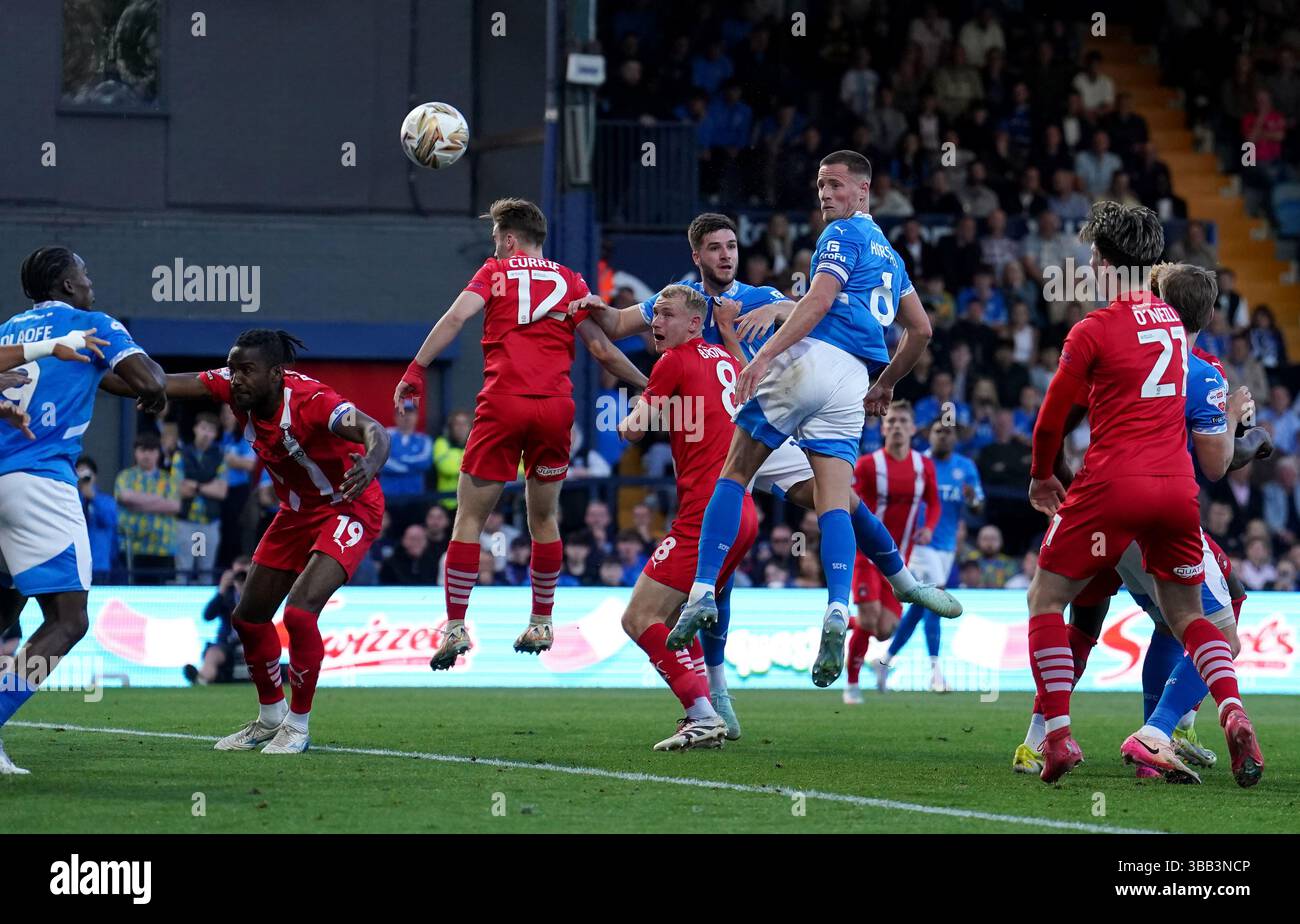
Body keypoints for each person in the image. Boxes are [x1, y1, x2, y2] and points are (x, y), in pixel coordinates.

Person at [668, 152, 962, 692]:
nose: (825, 194)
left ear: (864, 189)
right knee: (835, 502)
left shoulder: (839, 235)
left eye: (835, 184)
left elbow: (819, 300)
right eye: (820, 185)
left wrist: (760, 359)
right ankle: (835, 607)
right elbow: (920, 330)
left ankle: (702, 590)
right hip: (853, 383)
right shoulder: (892, 257)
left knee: (734, 472)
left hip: (812, 362)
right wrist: (886, 384)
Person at [1026, 204, 1262, 786]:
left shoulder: (1094, 328)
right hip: (1176, 491)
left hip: (1112, 484)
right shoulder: (1183, 339)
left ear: (1104, 262)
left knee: (1047, 597)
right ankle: (1230, 710)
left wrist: (1040, 475)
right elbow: (1210, 448)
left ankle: (1054, 738)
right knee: (1188, 616)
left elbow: (1051, 419)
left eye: (1091, 259)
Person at [101, 329, 391, 755]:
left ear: (276, 373)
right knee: (249, 617)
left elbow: (374, 430)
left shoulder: (313, 401)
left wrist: (369, 462)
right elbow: (156, 381)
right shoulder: (233, 387)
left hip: (349, 506)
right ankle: (270, 717)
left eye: (246, 370)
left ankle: (298, 725)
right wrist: (87, 371)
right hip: (296, 514)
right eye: (232, 368)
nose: (235, 378)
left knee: (298, 612)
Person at [393, 198, 646, 670]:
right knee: (543, 519)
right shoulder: (572, 281)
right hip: (555, 407)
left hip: (504, 403)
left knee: (468, 519)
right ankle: (542, 619)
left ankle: (453, 627)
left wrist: (416, 368)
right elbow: (603, 351)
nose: (495, 245)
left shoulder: (494, 272)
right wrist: (649, 385)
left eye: (496, 238)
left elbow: (455, 319)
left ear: (509, 239)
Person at [0, 246, 167, 775]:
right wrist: (156, 393)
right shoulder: (94, 323)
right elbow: (149, 379)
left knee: (5, 610)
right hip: (39, 482)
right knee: (68, 621)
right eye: (85, 275)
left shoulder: (8, 331)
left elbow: (101, 377)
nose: (91, 282)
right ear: (68, 286)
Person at [615, 285, 758, 750]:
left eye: (668, 314)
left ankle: (701, 712)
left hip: (705, 514)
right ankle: (708, 712)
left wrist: (635, 405)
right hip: (744, 512)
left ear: (695, 323)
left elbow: (633, 431)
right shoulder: (726, 360)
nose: (657, 322)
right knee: (679, 616)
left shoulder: (672, 361)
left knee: (638, 618)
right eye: (655, 313)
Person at [869, 418, 984, 696]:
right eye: (938, 431)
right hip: (920, 543)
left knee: (921, 606)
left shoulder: (965, 467)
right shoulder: (919, 464)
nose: (943, 437)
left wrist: (971, 501)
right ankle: (935, 674)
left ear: (955, 438)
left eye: (948, 433)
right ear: (928, 435)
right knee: (935, 602)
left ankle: (884, 660)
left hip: (946, 547)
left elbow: (979, 507)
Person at [842, 401, 940, 700]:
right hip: (867, 556)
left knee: (885, 630)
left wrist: (929, 528)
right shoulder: (869, 465)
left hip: (900, 561)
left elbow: (934, 503)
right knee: (871, 620)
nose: (896, 426)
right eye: (891, 421)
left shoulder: (924, 466)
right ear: (883, 428)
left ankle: (842, 622)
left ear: (912, 429)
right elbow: (847, 501)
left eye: (902, 422)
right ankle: (853, 685)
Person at [115, 431, 181, 584]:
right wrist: (159, 500)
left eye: (151, 450)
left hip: (163, 547)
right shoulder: (125, 476)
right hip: (132, 547)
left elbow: (174, 505)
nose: (146, 455)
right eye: (142, 450)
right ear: (135, 452)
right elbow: (126, 497)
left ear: (158, 453)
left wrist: (138, 503)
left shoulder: (169, 479)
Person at [174, 411, 228, 585]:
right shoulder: (181, 454)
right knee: (183, 572)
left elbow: (221, 492)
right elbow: (178, 489)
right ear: (195, 429)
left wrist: (196, 486)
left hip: (209, 523)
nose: (206, 433)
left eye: (211, 430)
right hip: (185, 522)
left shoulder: (220, 457)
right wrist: (208, 486)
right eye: (203, 428)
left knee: (206, 573)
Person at [184, 556, 251, 685]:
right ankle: (202, 679)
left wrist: (246, 592)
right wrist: (221, 590)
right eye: (238, 573)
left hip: (251, 643)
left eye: (245, 574)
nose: (241, 577)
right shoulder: (226, 594)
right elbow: (207, 616)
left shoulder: (258, 593)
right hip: (227, 642)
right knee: (212, 654)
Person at [380, 402, 433, 521]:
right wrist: (410, 466)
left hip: (415, 498)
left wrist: (397, 461)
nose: (406, 417)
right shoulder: (385, 435)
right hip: (389, 498)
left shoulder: (424, 440)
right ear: (396, 417)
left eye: (410, 413)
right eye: (402, 413)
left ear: (416, 417)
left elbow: (425, 463)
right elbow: (380, 462)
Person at [75, 455, 119, 584]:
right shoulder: (71, 501)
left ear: (94, 477)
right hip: (75, 565)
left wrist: (93, 497)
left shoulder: (106, 501)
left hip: (99, 565)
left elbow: (110, 521)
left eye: (87, 475)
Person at [431, 411, 471, 511]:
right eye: (457, 424)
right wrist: (469, 467)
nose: (461, 427)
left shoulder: (475, 445)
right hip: (447, 503)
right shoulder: (441, 443)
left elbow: (481, 468)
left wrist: (456, 462)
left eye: (464, 423)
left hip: (469, 503)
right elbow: (445, 467)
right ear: (451, 427)